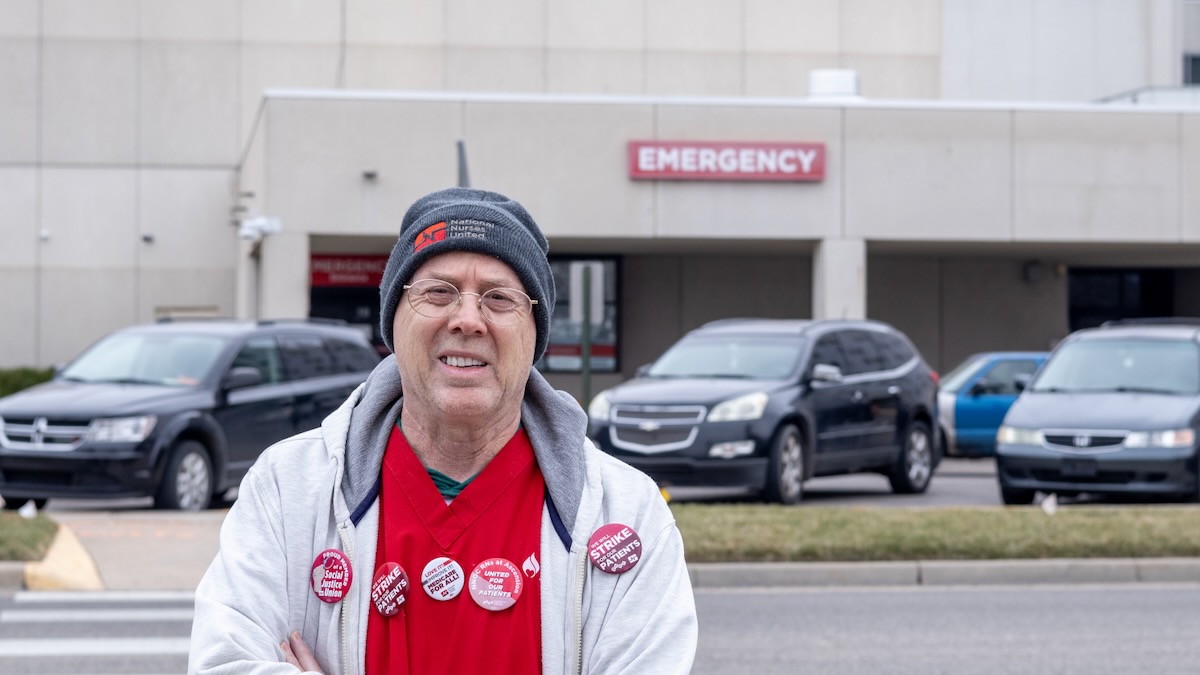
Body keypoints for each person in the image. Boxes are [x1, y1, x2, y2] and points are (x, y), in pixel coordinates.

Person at [188, 187, 698, 674]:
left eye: (499, 298)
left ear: (534, 333)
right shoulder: (287, 488)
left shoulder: (626, 513)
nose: (468, 319)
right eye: (438, 292)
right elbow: (224, 661)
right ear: (393, 321)